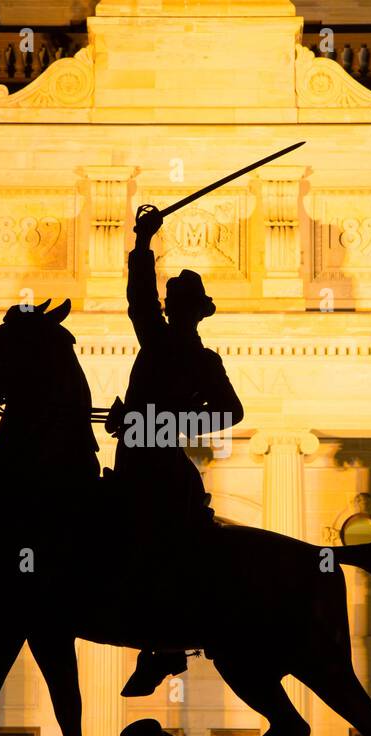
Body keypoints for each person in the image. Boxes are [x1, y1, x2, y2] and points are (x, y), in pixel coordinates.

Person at [109, 206, 244, 697]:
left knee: (153, 544)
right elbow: (138, 299)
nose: (166, 309)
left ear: (192, 311)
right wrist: (143, 245)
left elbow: (231, 413)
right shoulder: (157, 339)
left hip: (163, 469)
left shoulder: (197, 359)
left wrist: (161, 423)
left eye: (176, 303)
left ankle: (164, 646)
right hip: (133, 458)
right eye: (169, 303)